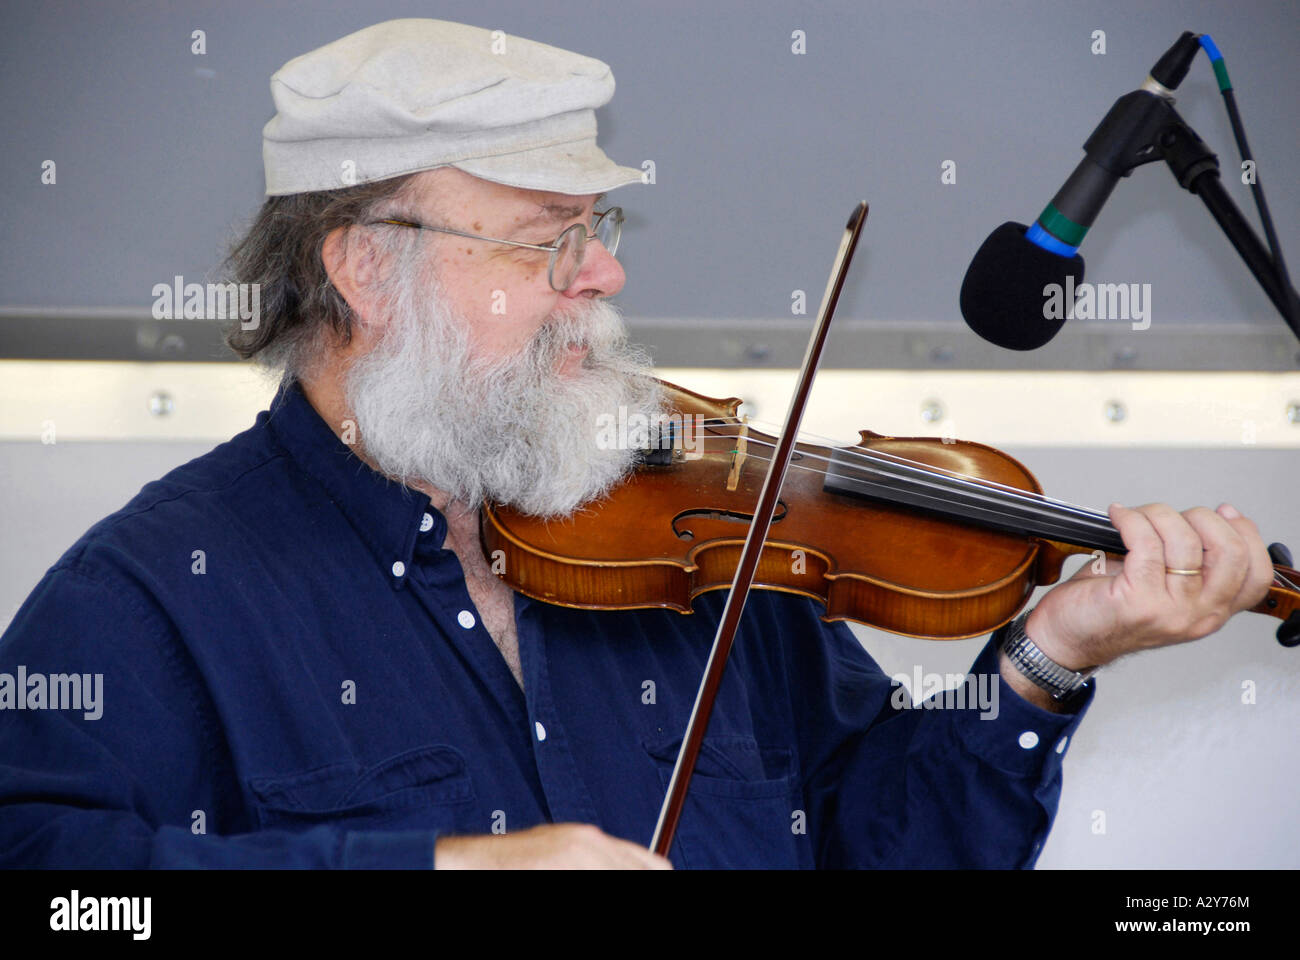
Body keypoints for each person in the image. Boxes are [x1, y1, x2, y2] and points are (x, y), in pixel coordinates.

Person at [0, 19, 1274, 870]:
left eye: (596, 223)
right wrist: (436, 870)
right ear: (364, 269)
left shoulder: (701, 538)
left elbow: (876, 845)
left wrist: (1052, 654)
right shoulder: (157, 594)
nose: (602, 269)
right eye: (544, 236)